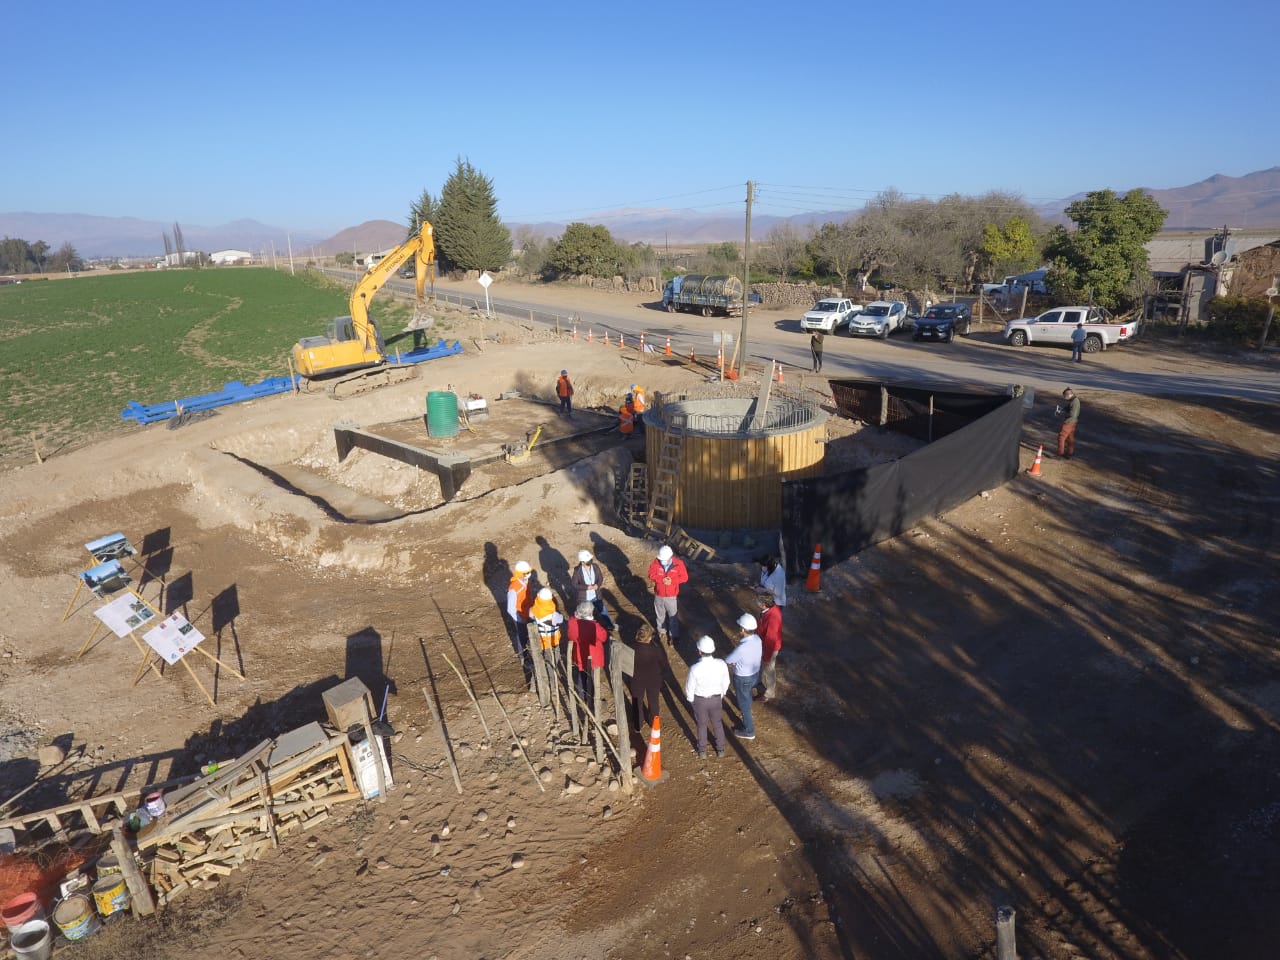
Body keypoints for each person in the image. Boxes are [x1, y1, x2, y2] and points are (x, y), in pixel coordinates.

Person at [684, 635, 731, 759]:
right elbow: (726, 681)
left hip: (700, 701)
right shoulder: (721, 664)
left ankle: (702, 751)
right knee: (717, 724)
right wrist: (722, 693)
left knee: (702, 725)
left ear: (699, 651)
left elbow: (690, 687)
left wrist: (690, 700)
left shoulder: (695, 668)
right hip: (716, 699)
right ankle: (720, 749)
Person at [725, 612, 762, 741]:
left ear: (743, 629)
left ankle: (749, 731)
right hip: (754, 674)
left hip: (742, 678)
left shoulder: (742, 648)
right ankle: (747, 705)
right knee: (747, 696)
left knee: (744, 705)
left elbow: (728, 660)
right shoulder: (757, 639)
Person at [647, 544, 688, 644]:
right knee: (660, 614)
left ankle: (673, 635)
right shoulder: (656, 562)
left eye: (664, 559)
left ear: (670, 557)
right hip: (659, 594)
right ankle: (661, 630)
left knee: (672, 616)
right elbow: (651, 574)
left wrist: (672, 581)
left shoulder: (679, 564)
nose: (662, 561)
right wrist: (661, 579)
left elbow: (684, 577)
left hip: (671, 596)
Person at [567, 602, 607, 701]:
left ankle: (581, 696)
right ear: (590, 614)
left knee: (582, 674)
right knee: (592, 678)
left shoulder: (572, 622)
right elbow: (603, 637)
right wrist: (594, 622)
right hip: (593, 655)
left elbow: (570, 636)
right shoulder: (594, 627)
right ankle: (592, 699)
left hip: (579, 654)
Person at [629, 625, 666, 733]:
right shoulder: (655, 649)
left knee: (637, 702)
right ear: (649, 638)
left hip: (637, 679)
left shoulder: (631, 648)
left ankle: (637, 725)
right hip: (653, 679)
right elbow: (663, 663)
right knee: (654, 702)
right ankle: (654, 725)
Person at [570, 549, 613, 629]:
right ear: (582, 562)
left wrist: (598, 585)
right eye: (588, 560)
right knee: (585, 616)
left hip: (596, 595)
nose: (590, 561)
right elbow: (574, 584)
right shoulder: (577, 571)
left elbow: (600, 578)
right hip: (584, 599)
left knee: (603, 611)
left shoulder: (595, 567)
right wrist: (586, 587)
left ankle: (610, 625)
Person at [506, 560, 534, 669]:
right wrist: (519, 619)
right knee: (521, 636)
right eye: (526, 572)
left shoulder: (526, 582)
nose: (528, 574)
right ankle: (524, 657)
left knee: (528, 633)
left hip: (527, 613)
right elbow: (510, 608)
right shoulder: (514, 588)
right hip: (519, 616)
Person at [755, 595, 783, 703]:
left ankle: (769, 693)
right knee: (765, 668)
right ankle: (763, 683)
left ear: (764, 604)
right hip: (763, 644)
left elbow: (771, 639)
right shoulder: (768, 610)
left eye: (759, 602)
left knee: (769, 669)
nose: (757, 603)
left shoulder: (773, 617)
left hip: (769, 648)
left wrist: (767, 657)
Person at [1058, 388, 1081, 458]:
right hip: (1073, 422)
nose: (1065, 398)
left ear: (1069, 394)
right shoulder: (1073, 400)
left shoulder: (1075, 402)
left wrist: (1062, 413)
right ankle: (1070, 453)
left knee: (1061, 437)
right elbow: (1068, 407)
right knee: (1070, 438)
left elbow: (1072, 414)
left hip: (1069, 422)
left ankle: (1060, 453)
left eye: (1065, 396)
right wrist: (1062, 409)